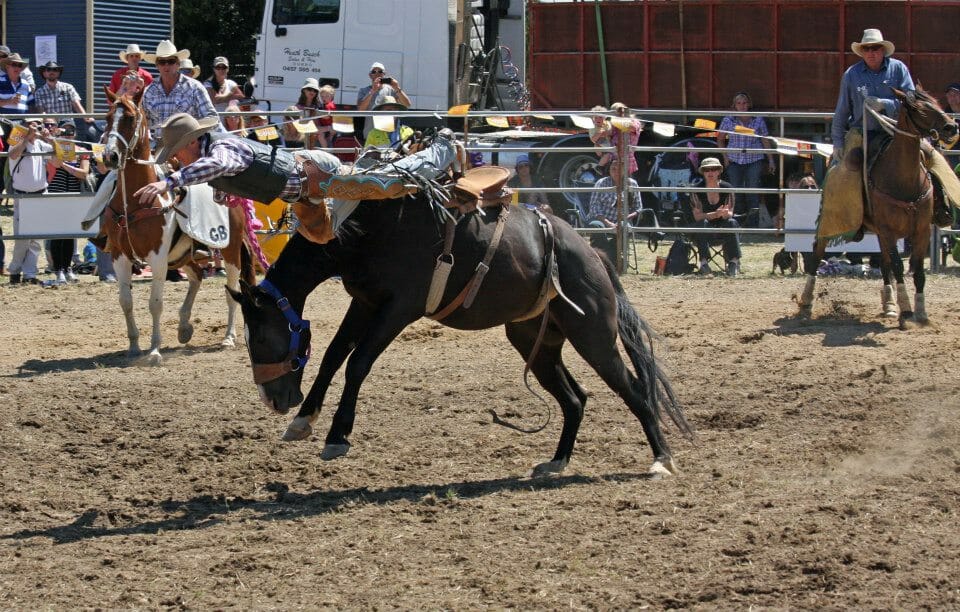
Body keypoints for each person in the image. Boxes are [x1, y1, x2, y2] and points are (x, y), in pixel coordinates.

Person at [131, 113, 459, 244]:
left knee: (388, 186)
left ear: (191, 142)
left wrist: (168, 182)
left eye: (175, 150)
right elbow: (221, 178)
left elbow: (218, 166)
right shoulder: (210, 159)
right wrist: (226, 194)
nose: (174, 158)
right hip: (304, 191)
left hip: (316, 175)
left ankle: (442, 146)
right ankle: (374, 164)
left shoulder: (222, 149)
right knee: (321, 234)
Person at [717, 91, 776, 224]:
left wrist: (771, 159)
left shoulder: (758, 119)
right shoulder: (728, 120)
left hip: (754, 159)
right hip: (734, 159)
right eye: (739, 103)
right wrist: (725, 157)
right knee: (735, 191)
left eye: (744, 103)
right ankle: (737, 223)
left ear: (749, 104)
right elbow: (720, 139)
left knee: (752, 191)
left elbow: (765, 140)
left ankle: (753, 224)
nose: (742, 106)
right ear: (734, 105)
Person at [7, 117, 54, 285]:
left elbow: (57, 161)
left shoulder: (42, 144)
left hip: (41, 194)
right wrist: (27, 137)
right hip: (23, 195)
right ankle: (14, 271)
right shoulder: (17, 140)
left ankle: (30, 274)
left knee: (36, 239)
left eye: (37, 124)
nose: (35, 127)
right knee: (22, 238)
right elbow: (12, 155)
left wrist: (51, 139)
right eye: (31, 124)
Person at [142, 40, 218, 139]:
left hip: (187, 146)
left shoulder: (195, 87)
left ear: (178, 64)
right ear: (157, 65)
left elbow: (212, 118)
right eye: (162, 62)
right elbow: (142, 122)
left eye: (171, 61)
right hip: (157, 146)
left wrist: (192, 130)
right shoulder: (149, 91)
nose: (166, 66)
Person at [46, 120, 91, 284]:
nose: (68, 135)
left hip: (73, 195)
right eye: (64, 131)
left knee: (70, 235)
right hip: (56, 195)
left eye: (71, 131)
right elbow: (54, 162)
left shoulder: (82, 151)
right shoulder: (53, 149)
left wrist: (65, 164)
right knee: (58, 235)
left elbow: (84, 173)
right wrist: (56, 142)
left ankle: (68, 268)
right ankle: (58, 270)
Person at [689, 157, 742, 276]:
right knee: (701, 224)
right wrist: (715, 214)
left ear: (719, 171)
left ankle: (733, 262)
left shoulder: (728, 188)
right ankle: (703, 263)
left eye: (713, 169)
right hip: (704, 229)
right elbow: (697, 217)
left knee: (732, 222)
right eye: (707, 170)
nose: (710, 172)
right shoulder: (696, 190)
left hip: (723, 227)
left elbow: (730, 213)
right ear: (703, 172)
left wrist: (723, 214)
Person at [585, 158, 640, 260]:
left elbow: (638, 208)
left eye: (618, 167)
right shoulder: (601, 183)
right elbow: (594, 207)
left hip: (623, 219)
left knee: (624, 228)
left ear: (625, 169)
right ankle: (599, 258)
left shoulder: (632, 184)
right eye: (612, 167)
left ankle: (613, 258)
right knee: (597, 226)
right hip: (601, 219)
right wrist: (608, 223)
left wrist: (625, 218)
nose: (615, 170)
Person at [32, 61, 98, 141]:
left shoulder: (68, 87)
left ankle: (65, 149)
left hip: (66, 122)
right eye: (49, 69)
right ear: (44, 73)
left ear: (58, 73)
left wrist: (86, 117)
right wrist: (52, 127)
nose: (52, 72)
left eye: (55, 70)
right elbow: (41, 112)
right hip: (49, 123)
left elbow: (76, 103)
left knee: (69, 129)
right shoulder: (39, 92)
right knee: (46, 127)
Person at [357, 62, 411, 137]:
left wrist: (396, 87)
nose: (377, 74)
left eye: (380, 71)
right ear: (370, 75)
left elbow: (407, 104)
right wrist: (372, 91)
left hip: (388, 134)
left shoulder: (391, 90)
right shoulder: (364, 91)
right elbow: (360, 110)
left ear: (384, 74)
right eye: (374, 72)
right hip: (370, 133)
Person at [608, 102, 642, 178]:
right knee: (613, 183)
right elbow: (608, 133)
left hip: (626, 159)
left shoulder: (633, 121)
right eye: (615, 114)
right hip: (614, 158)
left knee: (627, 183)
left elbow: (632, 128)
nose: (617, 116)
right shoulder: (614, 123)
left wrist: (618, 121)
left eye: (619, 113)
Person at [588, 105, 613, 172]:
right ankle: (599, 166)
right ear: (593, 119)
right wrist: (599, 133)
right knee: (607, 155)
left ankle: (608, 167)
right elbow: (593, 139)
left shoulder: (607, 124)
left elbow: (611, 132)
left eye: (600, 117)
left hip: (609, 143)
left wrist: (607, 133)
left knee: (611, 155)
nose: (598, 119)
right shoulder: (593, 127)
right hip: (601, 145)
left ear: (605, 118)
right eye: (595, 117)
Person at [316, 84, 337, 148]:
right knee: (324, 137)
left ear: (332, 96)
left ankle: (325, 150)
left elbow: (327, 116)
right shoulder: (326, 104)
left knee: (320, 135)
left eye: (327, 96)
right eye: (322, 96)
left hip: (330, 126)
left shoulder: (329, 105)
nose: (324, 98)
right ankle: (327, 147)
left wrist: (316, 113)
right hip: (327, 126)